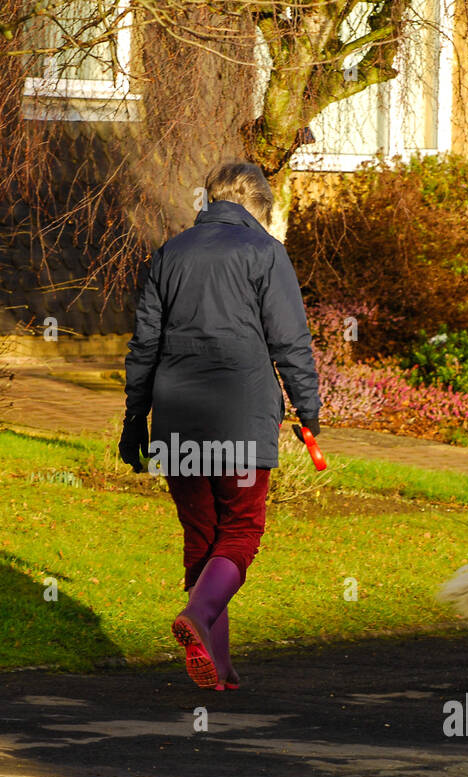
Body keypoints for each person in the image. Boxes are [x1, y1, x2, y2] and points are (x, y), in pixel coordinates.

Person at [120, 162, 321, 690]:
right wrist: (308, 411)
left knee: (202, 537)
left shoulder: (170, 253)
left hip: (177, 415)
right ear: (259, 207)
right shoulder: (265, 253)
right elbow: (290, 341)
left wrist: (134, 420)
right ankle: (197, 619)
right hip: (242, 415)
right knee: (240, 531)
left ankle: (221, 668)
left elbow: (145, 344)